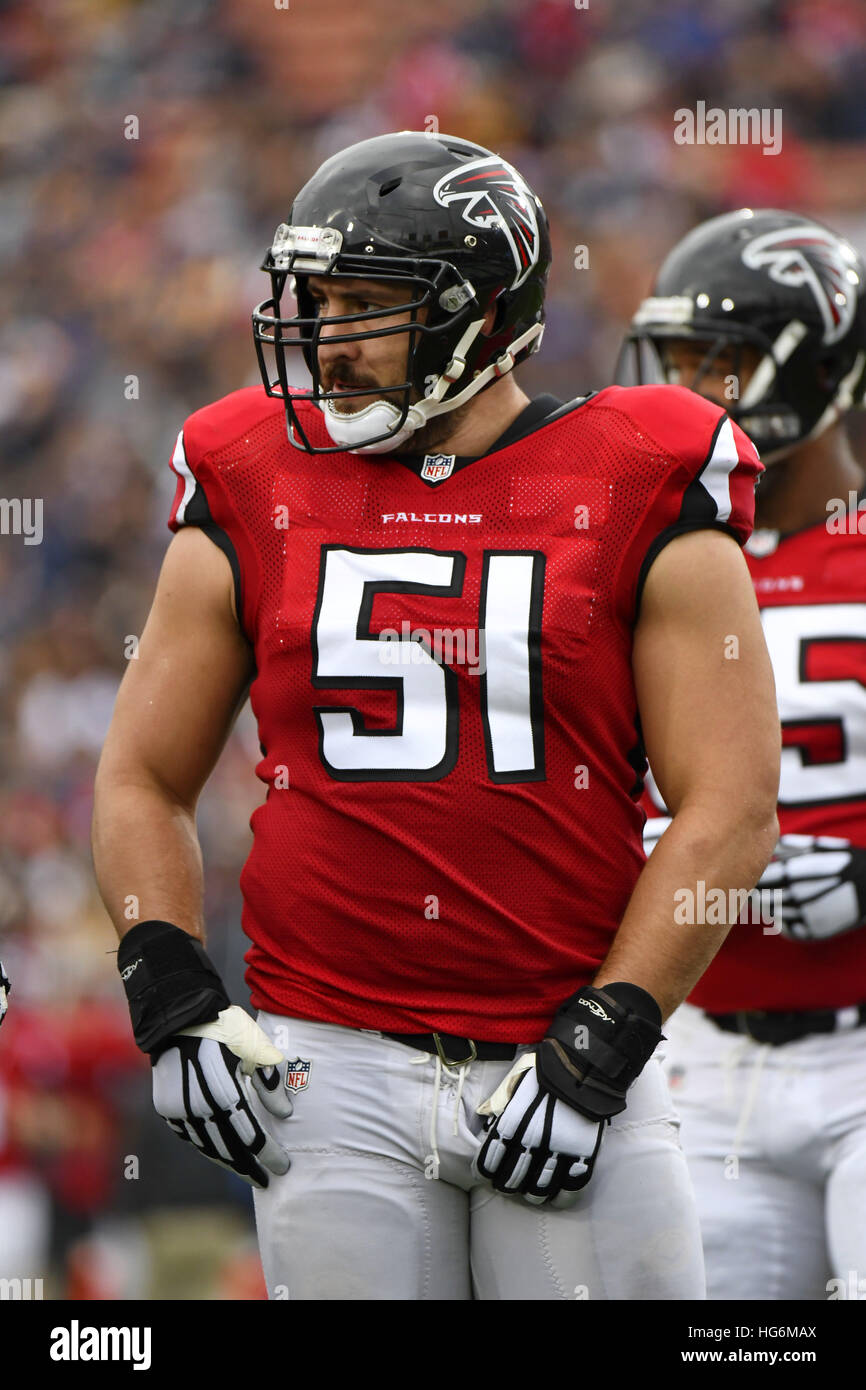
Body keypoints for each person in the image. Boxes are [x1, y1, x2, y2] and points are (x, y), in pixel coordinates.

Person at [92, 132, 779, 1301]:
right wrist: (170, 989)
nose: (328, 338)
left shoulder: (637, 469)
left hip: (563, 1047)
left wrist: (604, 1041)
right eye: (318, 300)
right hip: (331, 1059)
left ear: (481, 312)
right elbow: (141, 776)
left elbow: (729, 805)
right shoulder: (249, 467)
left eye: (368, 304)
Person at [622, 206, 866, 1301]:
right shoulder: (655, 557)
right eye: (675, 364)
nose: (689, 393)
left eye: (717, 363)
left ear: (818, 368)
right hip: (703, 1047)